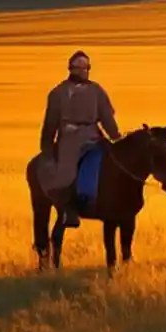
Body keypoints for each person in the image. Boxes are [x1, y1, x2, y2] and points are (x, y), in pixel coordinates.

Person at [37, 50, 121, 227]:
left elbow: (106, 117)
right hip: (70, 138)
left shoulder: (97, 90)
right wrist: (46, 147)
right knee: (66, 172)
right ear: (71, 68)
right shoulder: (58, 93)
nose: (84, 71)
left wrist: (116, 138)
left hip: (93, 136)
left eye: (87, 67)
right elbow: (50, 122)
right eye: (80, 67)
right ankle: (69, 209)